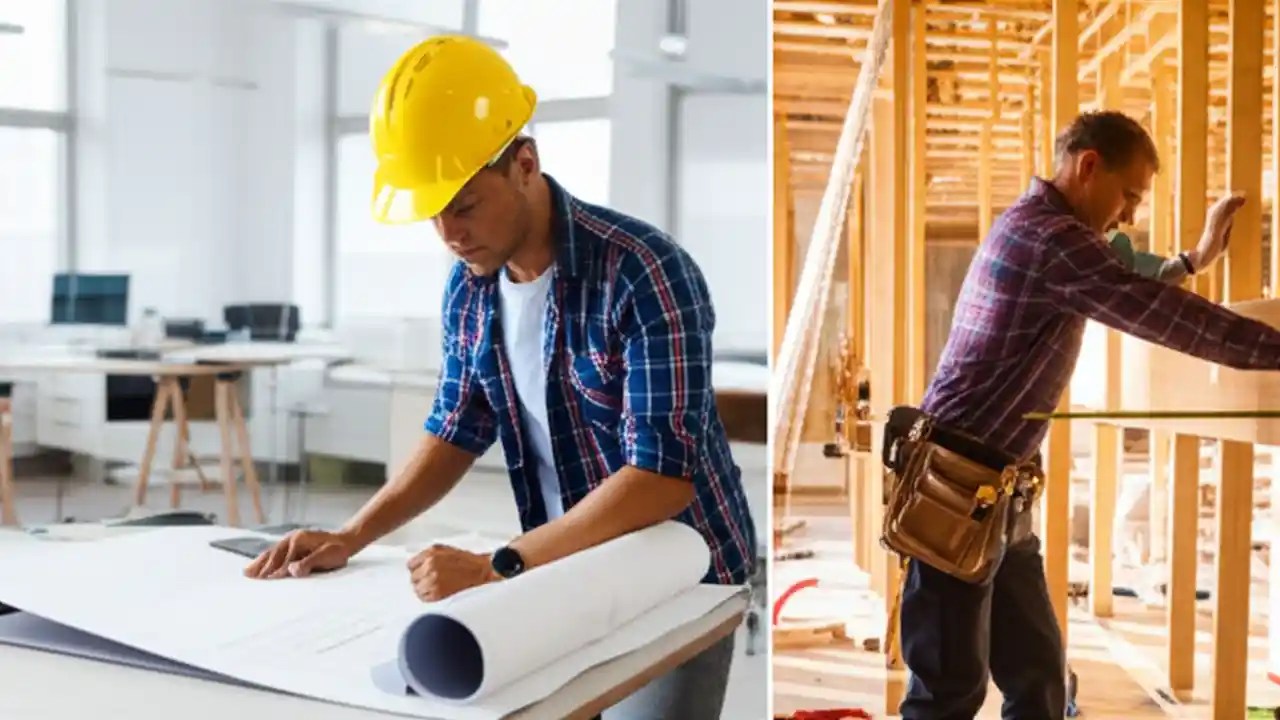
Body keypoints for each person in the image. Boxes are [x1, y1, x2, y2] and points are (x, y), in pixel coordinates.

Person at [244, 35, 756, 719]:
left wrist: (500, 567)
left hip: (677, 570)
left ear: (524, 163)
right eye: (432, 212)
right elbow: (456, 427)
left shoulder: (643, 272)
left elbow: (660, 476)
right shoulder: (470, 287)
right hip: (560, 563)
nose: (449, 233)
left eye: (463, 204)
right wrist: (352, 535)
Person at [893, 109, 1280, 720]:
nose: (1128, 215)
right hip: (955, 493)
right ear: (1089, 166)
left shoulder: (1042, 230)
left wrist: (1192, 259)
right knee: (948, 692)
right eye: (1129, 196)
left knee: (1041, 681)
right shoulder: (1054, 243)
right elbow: (1171, 319)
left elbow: (1120, 270)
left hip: (1000, 491)